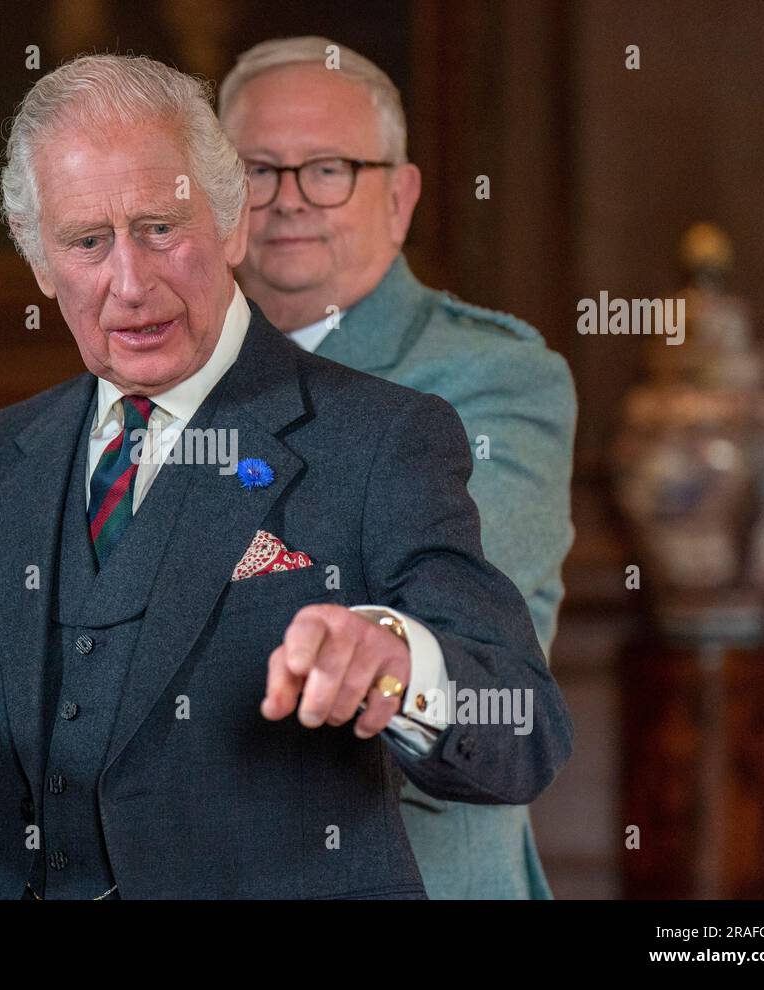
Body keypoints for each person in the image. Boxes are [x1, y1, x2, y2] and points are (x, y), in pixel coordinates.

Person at [0, 53, 573, 900]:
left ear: (232, 224)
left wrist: (401, 666)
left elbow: (524, 732)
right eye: (88, 242)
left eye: (161, 229)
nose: (130, 284)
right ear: (39, 261)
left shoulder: (383, 439)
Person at [219, 36, 577, 899]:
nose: (289, 200)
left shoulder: (495, 377)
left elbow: (462, 634)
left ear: (401, 196)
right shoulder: (171, 378)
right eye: (256, 170)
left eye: (331, 168)